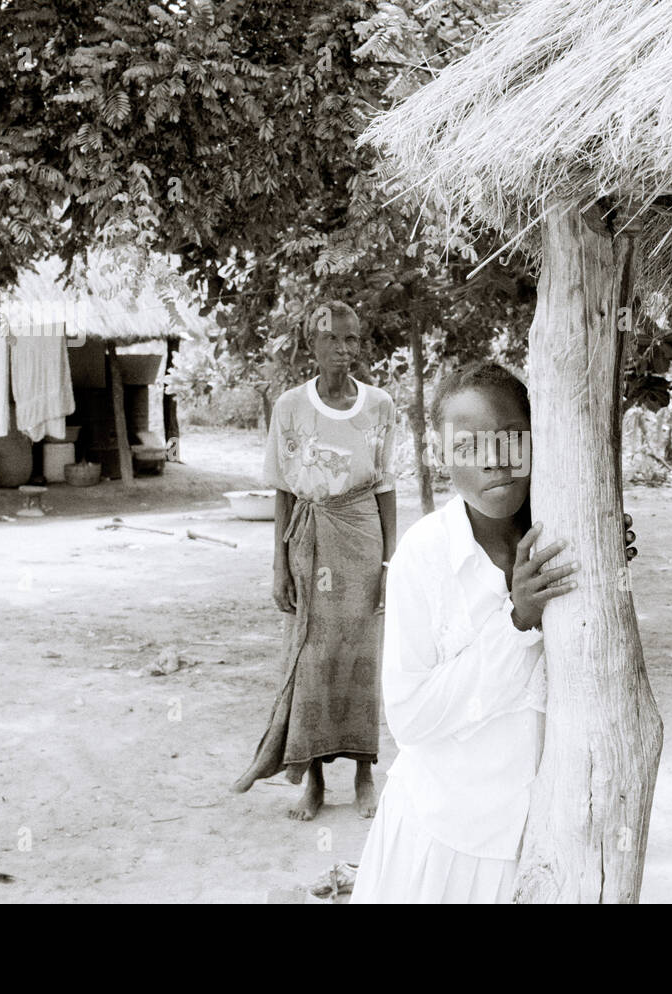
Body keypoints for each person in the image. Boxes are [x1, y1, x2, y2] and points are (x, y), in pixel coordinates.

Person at [351, 361, 635, 903]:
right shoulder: (424, 555)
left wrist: (604, 552)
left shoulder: (563, 538)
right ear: (441, 457)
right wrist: (517, 622)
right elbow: (409, 718)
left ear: (536, 438)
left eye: (510, 439)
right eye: (467, 447)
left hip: (548, 837)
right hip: (446, 839)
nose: (493, 461)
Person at [232, 301, 396, 821]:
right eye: (332, 339)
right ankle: (315, 780)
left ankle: (365, 773)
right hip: (308, 541)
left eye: (353, 340)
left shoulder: (380, 405)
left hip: (361, 541)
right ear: (312, 344)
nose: (344, 350)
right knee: (310, 660)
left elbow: (386, 485)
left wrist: (391, 562)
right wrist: (279, 565)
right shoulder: (289, 408)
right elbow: (282, 490)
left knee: (361, 658)